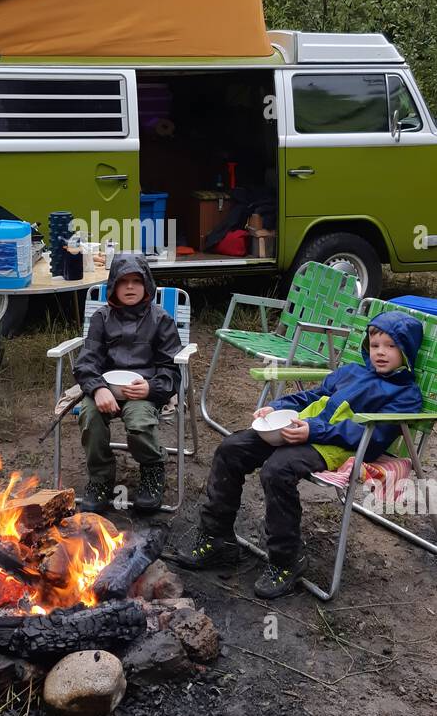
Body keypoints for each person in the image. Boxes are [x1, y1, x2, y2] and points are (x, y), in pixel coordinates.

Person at [174, 312, 423, 597]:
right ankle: (217, 536)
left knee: (277, 470)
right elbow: (313, 396)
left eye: (391, 346)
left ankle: (286, 560)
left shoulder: (405, 395)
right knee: (232, 448)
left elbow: (373, 437)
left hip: (335, 446)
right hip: (302, 428)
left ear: (407, 350)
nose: (381, 352)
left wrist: (312, 431)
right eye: (375, 344)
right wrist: (277, 406)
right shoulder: (352, 372)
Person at [74, 252, 181, 514]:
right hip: (105, 388)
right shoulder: (102, 318)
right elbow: (87, 361)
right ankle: (100, 479)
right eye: (123, 282)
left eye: (136, 281)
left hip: (142, 391)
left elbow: (171, 369)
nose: (130, 287)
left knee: (139, 421)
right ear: (113, 286)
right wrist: (98, 388)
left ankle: (152, 470)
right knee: (89, 416)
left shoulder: (161, 319)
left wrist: (152, 388)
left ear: (147, 285)